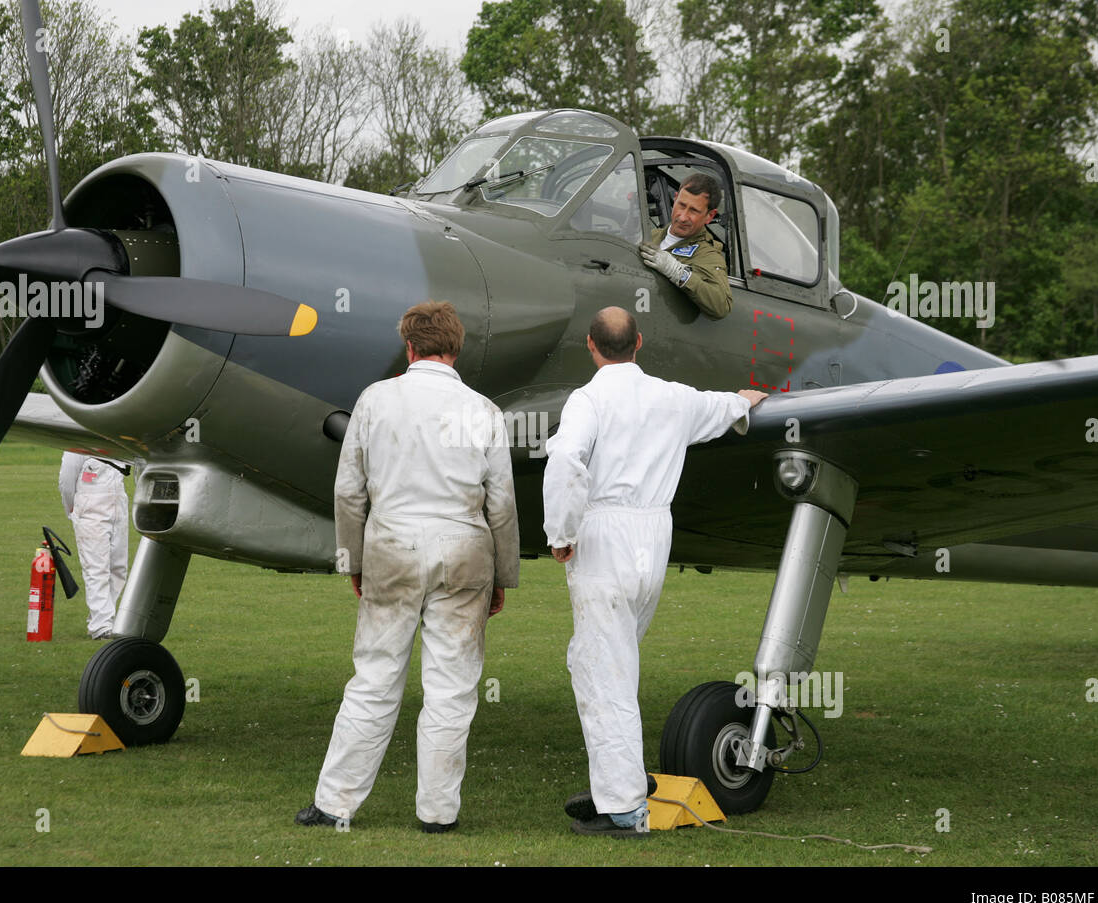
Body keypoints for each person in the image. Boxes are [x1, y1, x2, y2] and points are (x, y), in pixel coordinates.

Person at [543, 307, 767, 837]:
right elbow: (727, 407)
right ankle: (612, 786)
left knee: (607, 672)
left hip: (606, 536)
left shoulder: (588, 399)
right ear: (638, 343)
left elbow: (567, 461)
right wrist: (748, 399)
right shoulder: (673, 396)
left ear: (592, 348)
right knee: (594, 661)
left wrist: (561, 533)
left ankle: (625, 809)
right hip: (654, 537)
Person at [297, 300, 519, 833]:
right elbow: (503, 503)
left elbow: (349, 492)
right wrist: (504, 574)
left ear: (410, 346)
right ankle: (437, 814)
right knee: (451, 689)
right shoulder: (483, 410)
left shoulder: (375, 400)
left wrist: (352, 559)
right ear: (455, 348)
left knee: (374, 679)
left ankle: (334, 805)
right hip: (464, 549)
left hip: (391, 546)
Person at [639, 172, 733, 318]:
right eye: (681, 205)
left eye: (694, 211)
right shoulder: (650, 235)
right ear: (675, 198)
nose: (683, 217)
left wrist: (678, 272)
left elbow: (721, 306)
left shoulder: (707, 255)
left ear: (710, 216)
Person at [59, 452, 130, 640]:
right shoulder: (77, 443)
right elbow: (66, 481)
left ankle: (106, 618)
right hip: (90, 508)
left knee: (118, 568)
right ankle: (101, 625)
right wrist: (72, 509)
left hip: (118, 504)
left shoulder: (117, 436)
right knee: (96, 568)